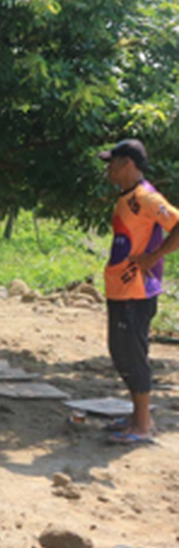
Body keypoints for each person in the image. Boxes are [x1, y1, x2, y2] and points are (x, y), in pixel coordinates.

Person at [98, 138, 179, 444]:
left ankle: (142, 426)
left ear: (127, 164)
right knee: (122, 353)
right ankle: (138, 417)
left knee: (131, 356)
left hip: (136, 291)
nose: (109, 169)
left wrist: (153, 258)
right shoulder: (127, 197)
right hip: (121, 289)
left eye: (113, 162)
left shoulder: (146, 197)